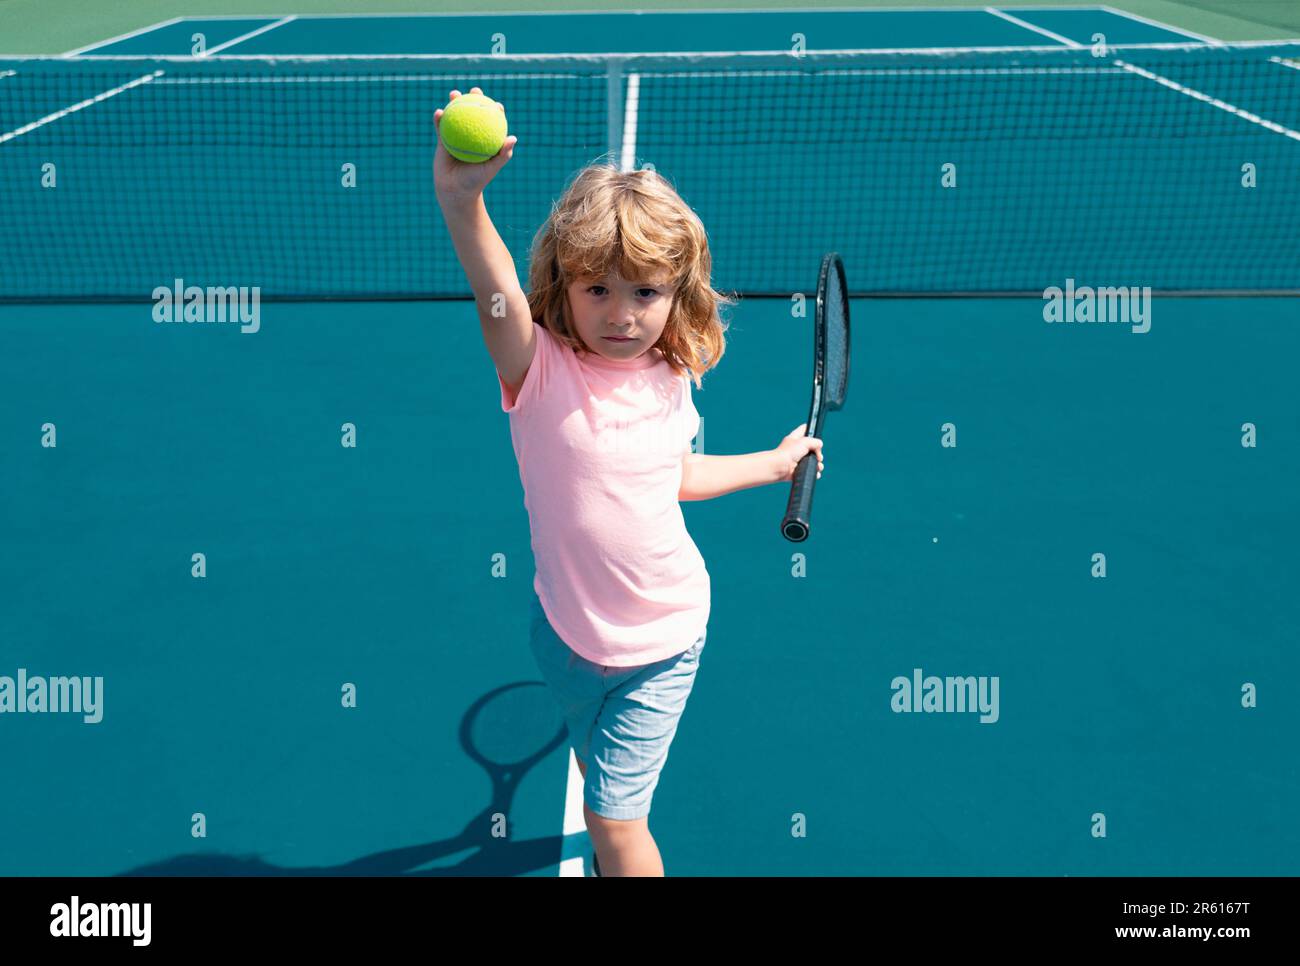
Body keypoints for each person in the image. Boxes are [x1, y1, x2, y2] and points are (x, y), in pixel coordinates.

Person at [434, 88, 825, 876]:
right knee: (595, 777)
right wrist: (461, 198)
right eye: (598, 290)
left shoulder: (668, 373)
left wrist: (773, 464)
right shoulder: (537, 372)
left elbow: (670, 475)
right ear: (565, 287)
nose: (621, 314)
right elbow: (495, 293)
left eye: (645, 292)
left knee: (615, 823)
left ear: (675, 294)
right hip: (566, 640)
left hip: (663, 640)